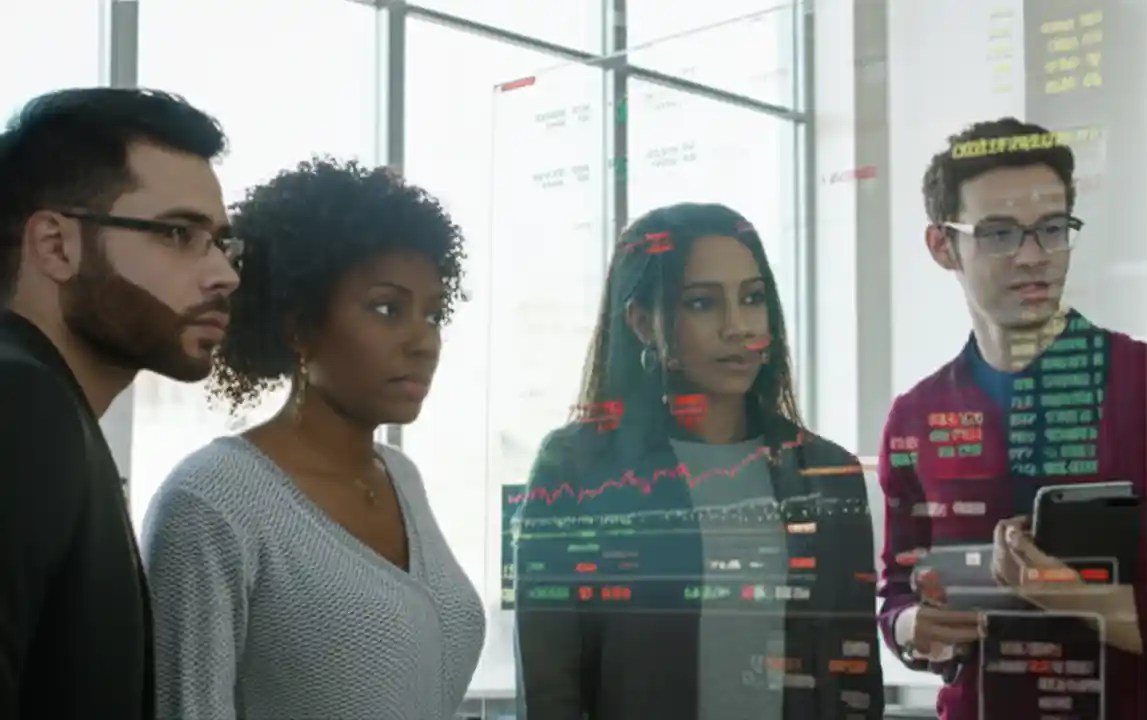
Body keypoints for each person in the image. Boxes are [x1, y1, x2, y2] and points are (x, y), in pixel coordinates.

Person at [876, 117, 1147, 719]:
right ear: (943, 246)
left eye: (1052, 229)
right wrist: (909, 627)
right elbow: (898, 591)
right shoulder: (915, 417)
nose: (1035, 257)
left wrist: (1070, 596)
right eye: (1000, 234)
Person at [139, 158, 485, 720]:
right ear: (299, 326)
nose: (423, 342)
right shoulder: (211, 502)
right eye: (387, 309)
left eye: (431, 314)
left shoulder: (402, 478)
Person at [514, 202, 885, 720]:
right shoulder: (577, 470)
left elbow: (855, 679)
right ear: (642, 322)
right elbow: (548, 686)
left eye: (752, 299)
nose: (738, 328)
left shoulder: (827, 474)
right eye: (703, 304)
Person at [0, 87, 238, 719]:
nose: (225, 273)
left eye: (222, 242)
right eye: (179, 233)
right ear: (56, 246)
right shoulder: (22, 405)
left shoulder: (51, 409)